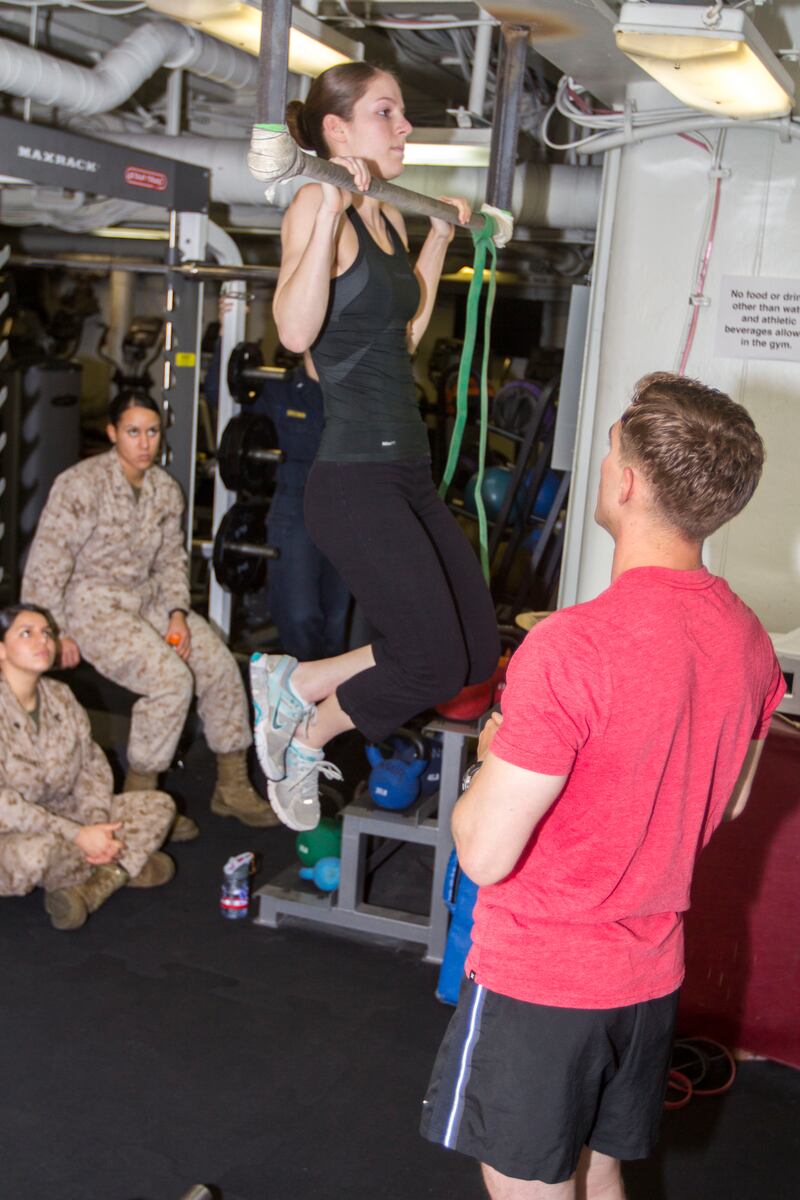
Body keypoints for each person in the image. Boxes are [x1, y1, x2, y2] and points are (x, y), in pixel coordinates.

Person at [420, 372, 786, 1199]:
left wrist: (496, 744)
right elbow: (726, 801)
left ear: (624, 481)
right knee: (601, 1171)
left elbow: (482, 851)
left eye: (609, 447)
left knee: (533, 1189)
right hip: (648, 977)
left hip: (545, 980)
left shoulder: (573, 647)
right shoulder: (748, 643)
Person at [250, 61, 500, 832]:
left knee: (472, 654)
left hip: (406, 471)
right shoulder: (316, 202)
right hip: (354, 476)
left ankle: (298, 683)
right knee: (426, 655)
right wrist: (326, 200)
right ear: (338, 131)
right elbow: (297, 334)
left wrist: (435, 236)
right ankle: (304, 733)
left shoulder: (387, 214)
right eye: (386, 113)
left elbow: (408, 331)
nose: (404, 128)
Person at [21, 392, 278, 840]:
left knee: (217, 663)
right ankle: (143, 801)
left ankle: (232, 785)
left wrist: (179, 613)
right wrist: (50, 633)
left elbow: (172, 563)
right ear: (112, 433)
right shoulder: (81, 484)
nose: (144, 442)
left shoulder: (164, 491)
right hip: (93, 607)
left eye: (152, 432)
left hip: (152, 602)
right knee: (170, 681)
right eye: (133, 432)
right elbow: (47, 563)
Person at [0, 603, 176, 930]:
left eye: (47, 633)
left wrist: (96, 823)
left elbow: (91, 765)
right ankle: (120, 865)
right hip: (12, 832)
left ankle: (94, 886)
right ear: (1, 649)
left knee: (158, 804)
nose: (43, 641)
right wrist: (79, 835)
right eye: (27, 633)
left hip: (70, 815)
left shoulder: (61, 696)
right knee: (39, 854)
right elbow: (5, 806)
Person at [205, 342, 351, 660]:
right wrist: (224, 335)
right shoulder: (279, 389)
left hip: (346, 511)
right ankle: (307, 682)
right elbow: (221, 394)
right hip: (294, 508)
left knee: (338, 619)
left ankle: (330, 694)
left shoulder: (354, 394)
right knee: (299, 615)